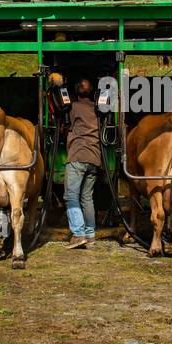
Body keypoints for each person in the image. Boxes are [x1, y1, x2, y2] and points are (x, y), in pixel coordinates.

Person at [61, 78, 101, 248]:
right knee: (87, 197)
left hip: (78, 156)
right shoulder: (98, 109)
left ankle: (78, 234)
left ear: (76, 92)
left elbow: (65, 125)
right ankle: (90, 235)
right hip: (95, 158)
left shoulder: (74, 107)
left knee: (71, 196)